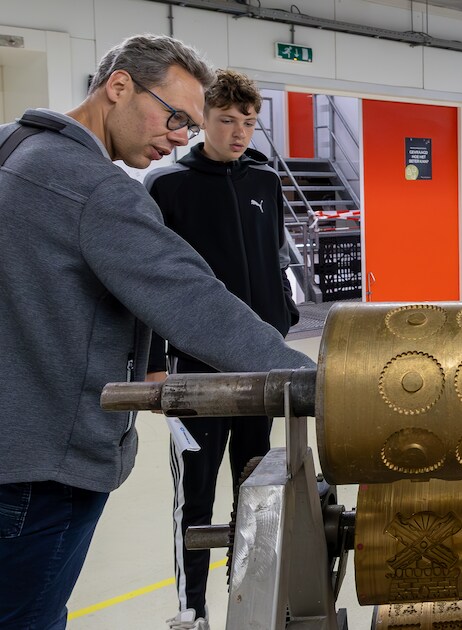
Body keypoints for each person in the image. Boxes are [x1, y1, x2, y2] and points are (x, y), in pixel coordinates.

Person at [0, 34, 314, 630]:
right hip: (46, 466)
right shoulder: (97, 189)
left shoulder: (11, 149)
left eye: (189, 127)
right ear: (118, 86)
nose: (179, 136)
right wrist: (319, 381)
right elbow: (190, 299)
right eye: (175, 117)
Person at [143, 68, 299, 629]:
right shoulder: (167, 186)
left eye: (249, 123)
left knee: (256, 492)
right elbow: (146, 281)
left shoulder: (265, 181)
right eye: (227, 120)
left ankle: (248, 599)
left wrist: (284, 313)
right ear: (201, 118)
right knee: (197, 498)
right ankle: (193, 611)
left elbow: (277, 256)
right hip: (195, 373)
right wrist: (156, 364)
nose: (239, 133)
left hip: (260, 365)